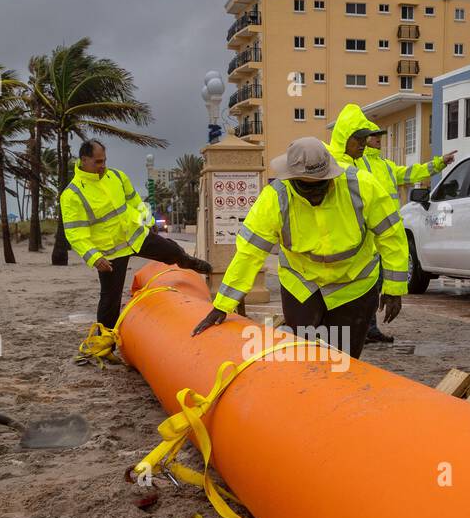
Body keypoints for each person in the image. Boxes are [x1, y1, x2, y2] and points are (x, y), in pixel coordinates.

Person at [191, 137, 407, 358]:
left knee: (345, 358)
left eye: (321, 185)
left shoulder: (362, 187)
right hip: (302, 284)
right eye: (304, 186)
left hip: (353, 285)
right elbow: (249, 253)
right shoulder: (275, 198)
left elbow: (391, 236)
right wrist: (223, 304)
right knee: (301, 354)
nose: (314, 194)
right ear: (290, 178)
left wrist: (394, 289)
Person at [329, 104, 455, 342]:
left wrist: (439, 163)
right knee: (365, 288)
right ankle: (361, 329)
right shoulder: (355, 163)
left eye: (376, 136)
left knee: (375, 286)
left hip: (383, 236)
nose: (375, 140)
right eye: (372, 136)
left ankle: (369, 329)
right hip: (364, 239)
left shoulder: (385, 166)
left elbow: (412, 173)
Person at [60, 140, 211, 330]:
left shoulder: (116, 176)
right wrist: (94, 257)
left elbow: (135, 202)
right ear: (84, 160)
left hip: (135, 236)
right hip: (110, 253)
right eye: (98, 162)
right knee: (110, 299)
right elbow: (75, 233)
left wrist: (148, 221)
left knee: (172, 250)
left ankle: (188, 262)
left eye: (104, 161)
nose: (102, 166)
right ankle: (104, 345)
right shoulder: (72, 194)